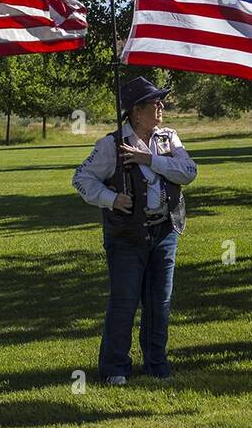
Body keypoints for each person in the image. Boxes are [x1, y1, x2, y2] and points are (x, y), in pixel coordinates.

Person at [74, 77, 196, 385]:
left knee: (160, 302)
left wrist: (148, 159)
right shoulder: (110, 145)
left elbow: (189, 172)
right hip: (127, 235)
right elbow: (82, 179)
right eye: (154, 102)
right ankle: (115, 367)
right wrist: (112, 198)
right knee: (124, 301)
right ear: (136, 112)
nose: (161, 106)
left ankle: (156, 363)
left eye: (160, 101)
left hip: (165, 231)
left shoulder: (169, 138)